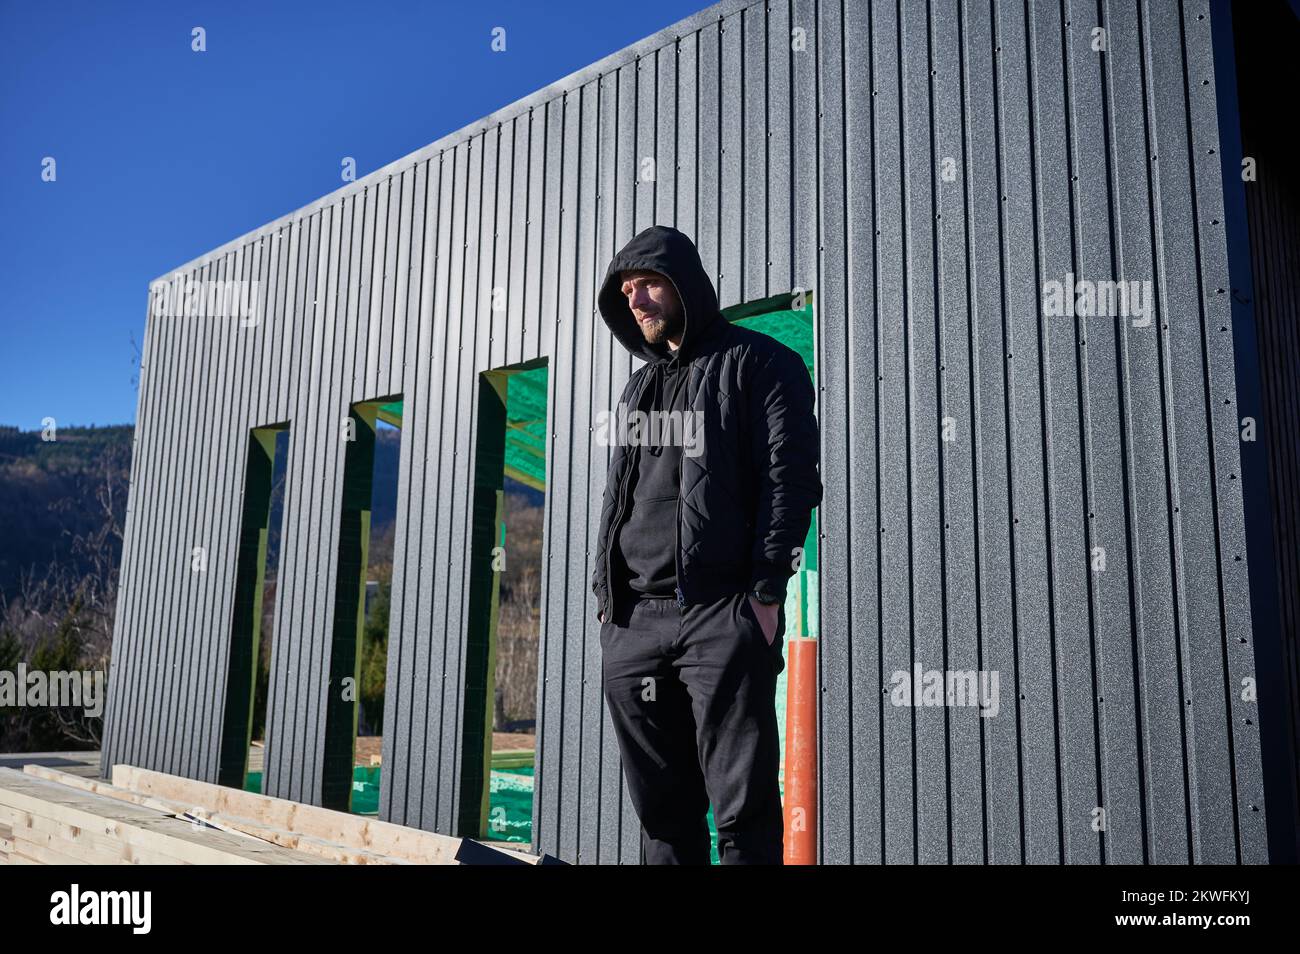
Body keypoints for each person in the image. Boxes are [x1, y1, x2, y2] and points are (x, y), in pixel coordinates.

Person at [591, 224, 823, 864]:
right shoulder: (639, 390)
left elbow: (791, 479)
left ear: (686, 285)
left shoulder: (763, 364)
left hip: (721, 614)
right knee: (663, 818)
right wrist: (609, 605)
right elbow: (621, 501)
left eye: (648, 285)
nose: (636, 301)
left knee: (743, 813)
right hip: (634, 624)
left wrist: (765, 593)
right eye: (626, 291)